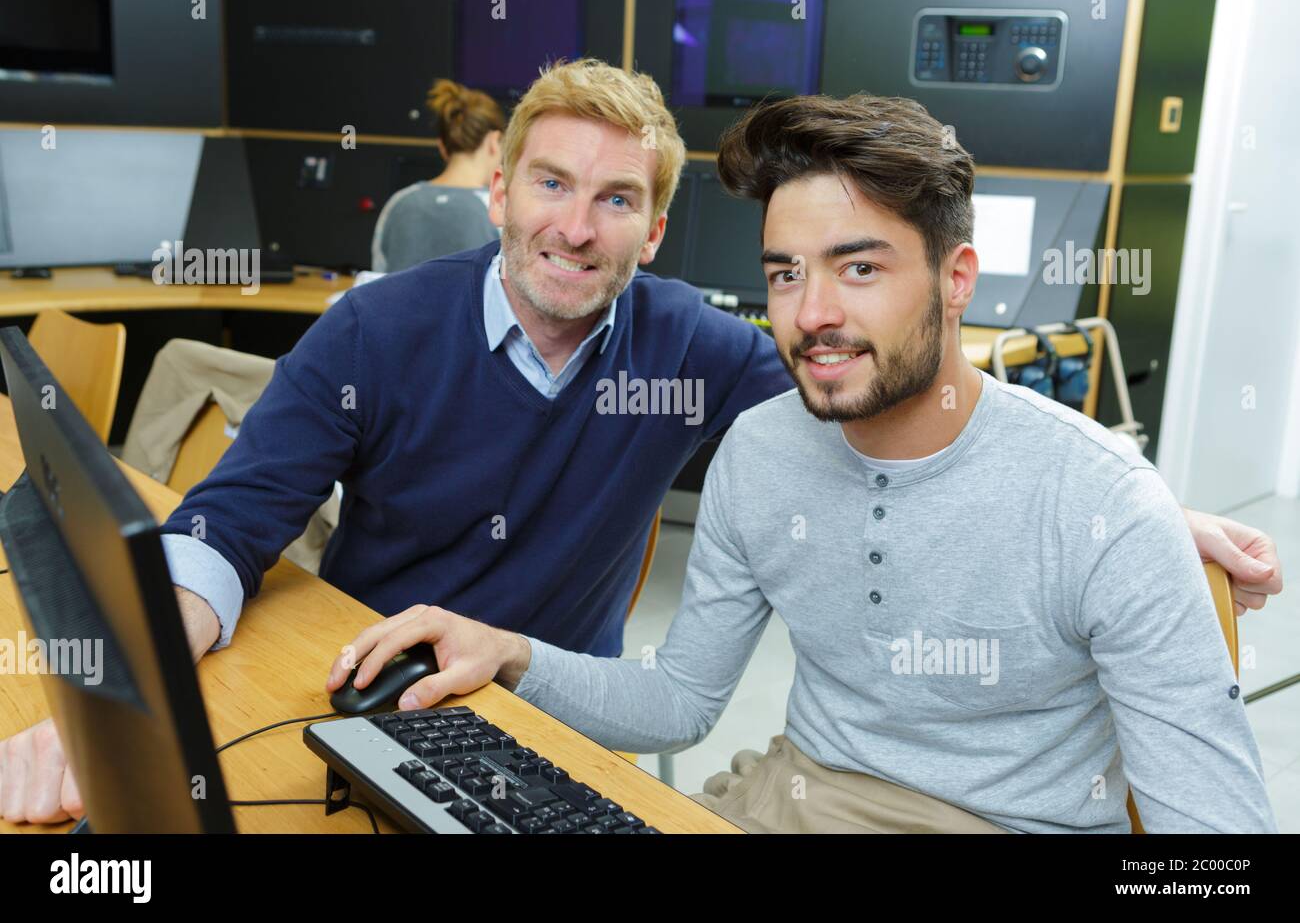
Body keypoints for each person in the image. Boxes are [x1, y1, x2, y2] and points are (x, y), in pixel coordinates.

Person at [0, 60, 1282, 826]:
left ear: (653, 231)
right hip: (378, 696)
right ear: (494, 191)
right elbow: (227, 525)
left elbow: (951, 421)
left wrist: (1132, 509)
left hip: (560, 727)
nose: (576, 225)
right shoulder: (379, 331)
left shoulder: (707, 357)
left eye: (618, 198)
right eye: (550, 184)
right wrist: (121, 687)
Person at [370, 79, 504, 272]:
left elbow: (378, 280)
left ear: (441, 146)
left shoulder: (398, 203)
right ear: (494, 141)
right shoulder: (498, 208)